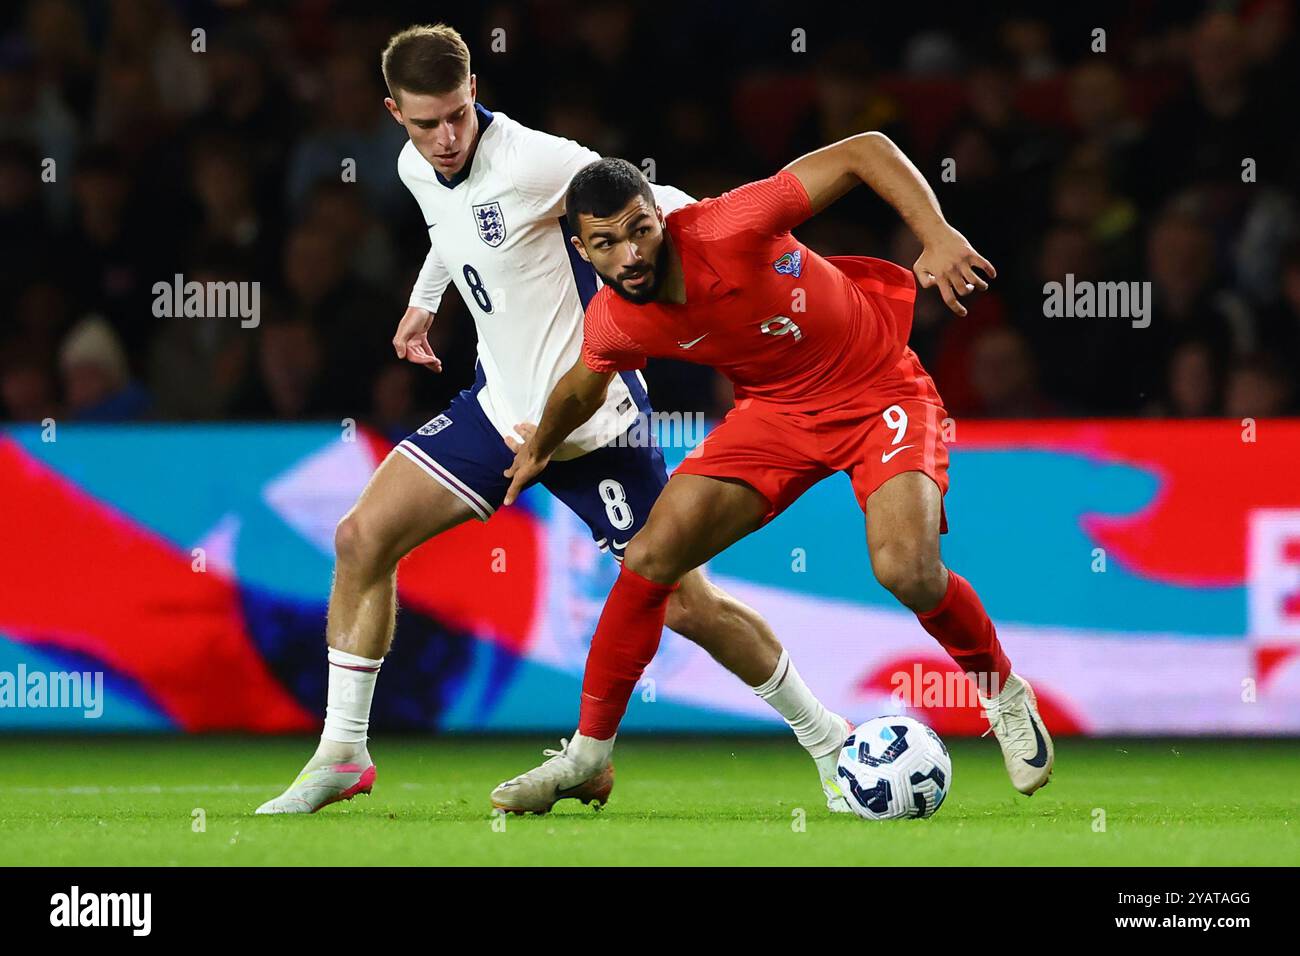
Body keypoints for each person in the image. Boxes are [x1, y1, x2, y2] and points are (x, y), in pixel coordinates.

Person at [256, 24, 851, 815]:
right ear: (394, 111)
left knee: (684, 605)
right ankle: (343, 754)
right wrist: (424, 302)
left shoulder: (536, 160)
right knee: (362, 538)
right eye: (426, 122)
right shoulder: (413, 164)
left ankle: (830, 740)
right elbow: (453, 224)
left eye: (459, 116)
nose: (445, 137)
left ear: (476, 95)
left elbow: (649, 205)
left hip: (595, 423)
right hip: (498, 412)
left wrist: (739, 252)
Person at [494, 140, 1055, 810]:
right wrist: (539, 449)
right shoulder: (615, 317)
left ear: (659, 219)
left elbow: (866, 152)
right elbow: (583, 387)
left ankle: (1003, 693)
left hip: (881, 392)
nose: (631, 255)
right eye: (607, 243)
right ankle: (588, 756)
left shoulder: (730, 224)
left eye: (640, 231)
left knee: (905, 568)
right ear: (582, 251)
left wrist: (935, 234)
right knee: (648, 558)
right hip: (776, 419)